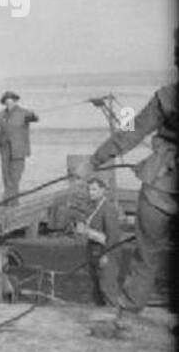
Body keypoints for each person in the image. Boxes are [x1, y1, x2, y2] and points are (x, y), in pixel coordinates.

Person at [76, 77, 176, 316]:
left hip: (159, 185)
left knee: (146, 257)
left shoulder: (167, 96)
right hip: (161, 184)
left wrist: (93, 161)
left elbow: (130, 131)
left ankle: (128, 313)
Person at [74, 176, 125, 307]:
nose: (91, 193)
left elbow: (113, 236)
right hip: (93, 251)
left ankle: (115, 317)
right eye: (89, 189)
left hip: (105, 252)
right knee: (96, 289)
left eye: (94, 190)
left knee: (107, 287)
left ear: (103, 191)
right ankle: (101, 318)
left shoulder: (108, 209)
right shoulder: (91, 208)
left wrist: (107, 255)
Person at [0, 91, 39, 203]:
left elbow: (34, 118)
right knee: (6, 176)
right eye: (6, 101)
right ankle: (10, 201)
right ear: (4, 102)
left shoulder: (24, 113)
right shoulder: (0, 114)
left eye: (11, 101)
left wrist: (33, 114)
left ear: (15, 101)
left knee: (15, 176)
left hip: (19, 150)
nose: (8, 103)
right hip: (4, 149)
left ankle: (11, 201)